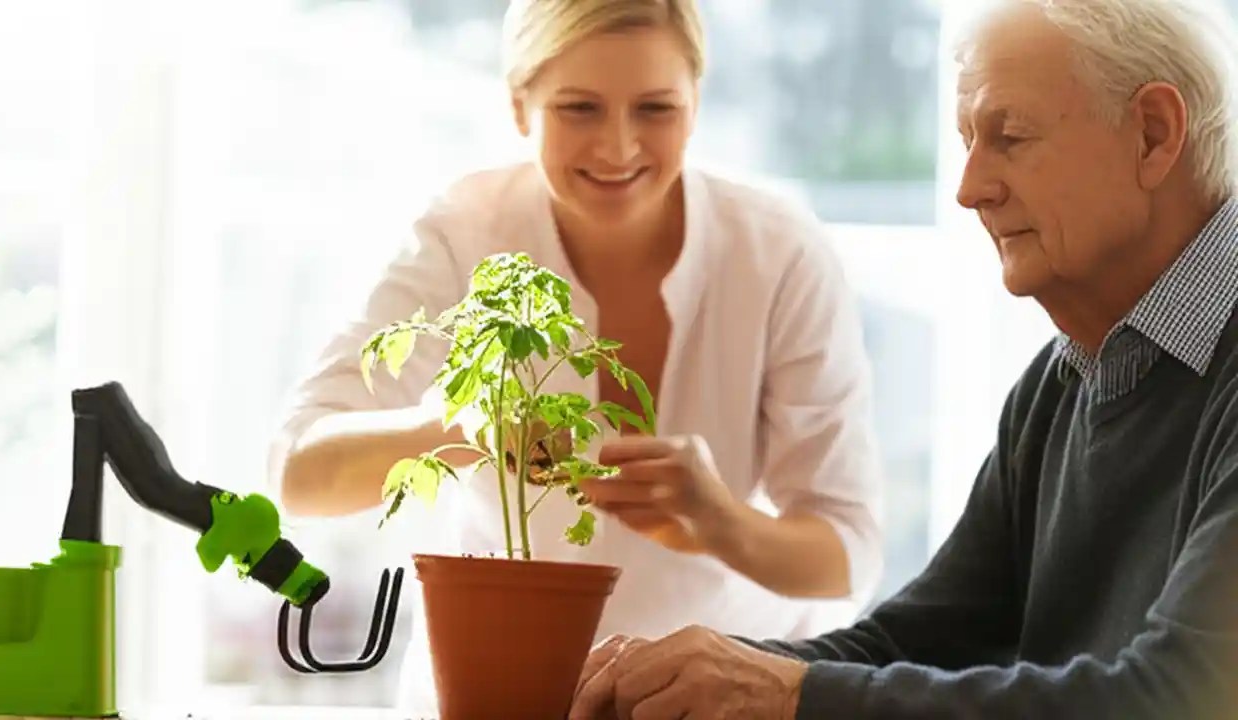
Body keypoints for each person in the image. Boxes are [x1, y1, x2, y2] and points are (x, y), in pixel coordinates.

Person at [568, 0, 1238, 717]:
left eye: (1010, 137)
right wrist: (686, 675)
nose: (970, 189)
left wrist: (782, 692)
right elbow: (920, 642)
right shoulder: (1061, 381)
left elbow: (1180, 699)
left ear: (1153, 134)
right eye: (967, 142)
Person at [268, 0, 885, 713]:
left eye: (655, 109)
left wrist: (720, 522)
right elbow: (298, 473)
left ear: (695, 103)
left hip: (711, 697)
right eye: (579, 109)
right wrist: (460, 429)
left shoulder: (778, 252)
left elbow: (847, 557)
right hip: (498, 691)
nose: (618, 147)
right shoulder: (466, 232)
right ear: (518, 105)